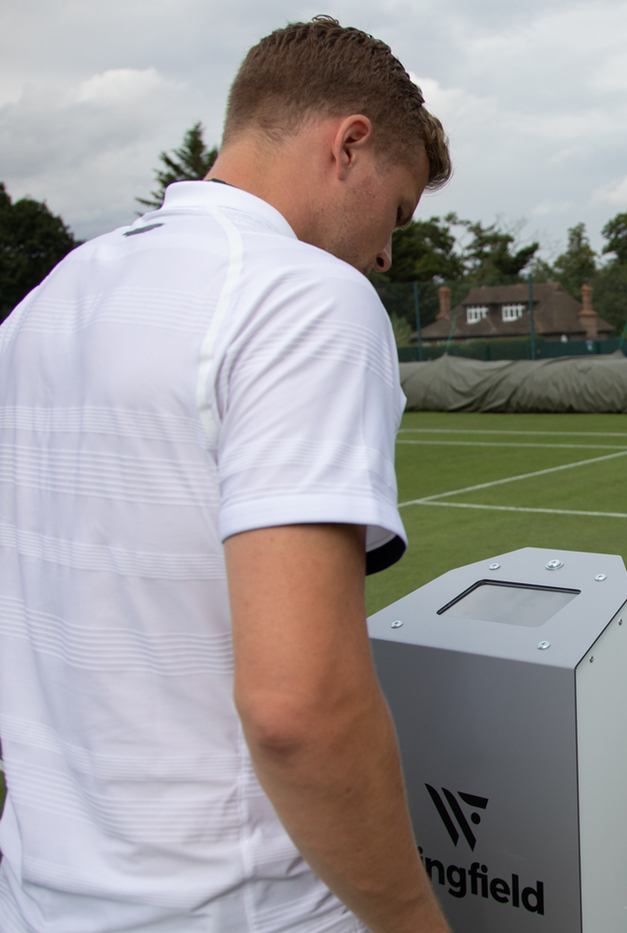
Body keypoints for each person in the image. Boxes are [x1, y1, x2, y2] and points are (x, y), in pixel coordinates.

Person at [0, 18, 453, 933]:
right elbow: (298, 705)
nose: (384, 254)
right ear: (349, 144)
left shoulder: (46, 304)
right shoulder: (305, 297)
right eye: (395, 213)